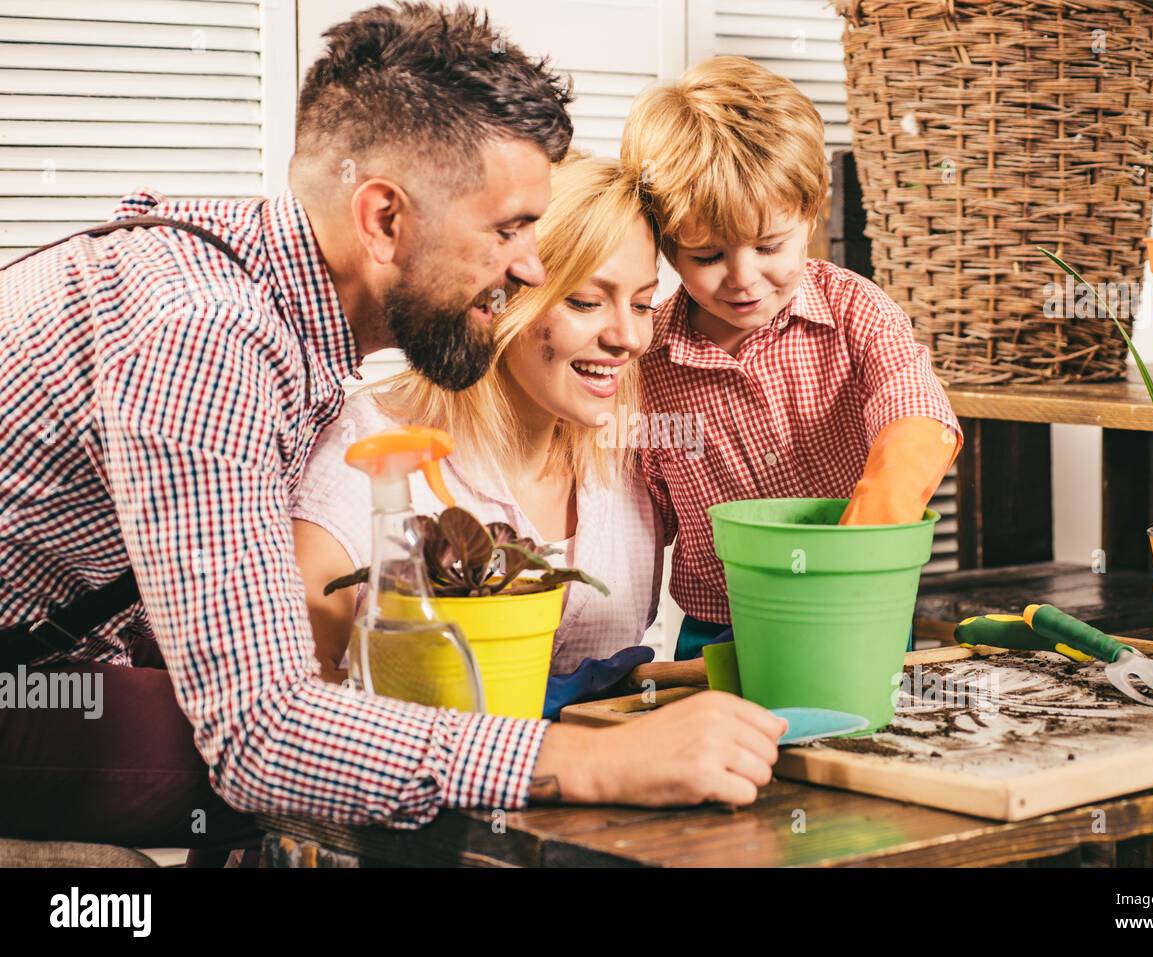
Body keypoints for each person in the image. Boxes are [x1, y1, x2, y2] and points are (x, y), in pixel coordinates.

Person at [0, 4, 783, 857]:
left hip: (54, 653)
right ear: (383, 219)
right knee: (217, 745)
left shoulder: (265, 312)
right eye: (508, 229)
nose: (528, 267)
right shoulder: (204, 334)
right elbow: (262, 733)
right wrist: (588, 761)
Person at [621, 56, 965, 660]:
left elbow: (916, 413)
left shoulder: (855, 310)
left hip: (858, 610)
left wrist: (856, 553)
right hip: (717, 630)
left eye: (769, 245)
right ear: (665, 245)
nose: (742, 278)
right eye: (706, 256)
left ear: (811, 215)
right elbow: (634, 516)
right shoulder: (647, 358)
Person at [293, 153, 663, 682]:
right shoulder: (365, 454)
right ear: (501, 296)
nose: (627, 337)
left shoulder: (626, 468)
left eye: (645, 304)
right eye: (585, 302)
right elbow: (298, 687)